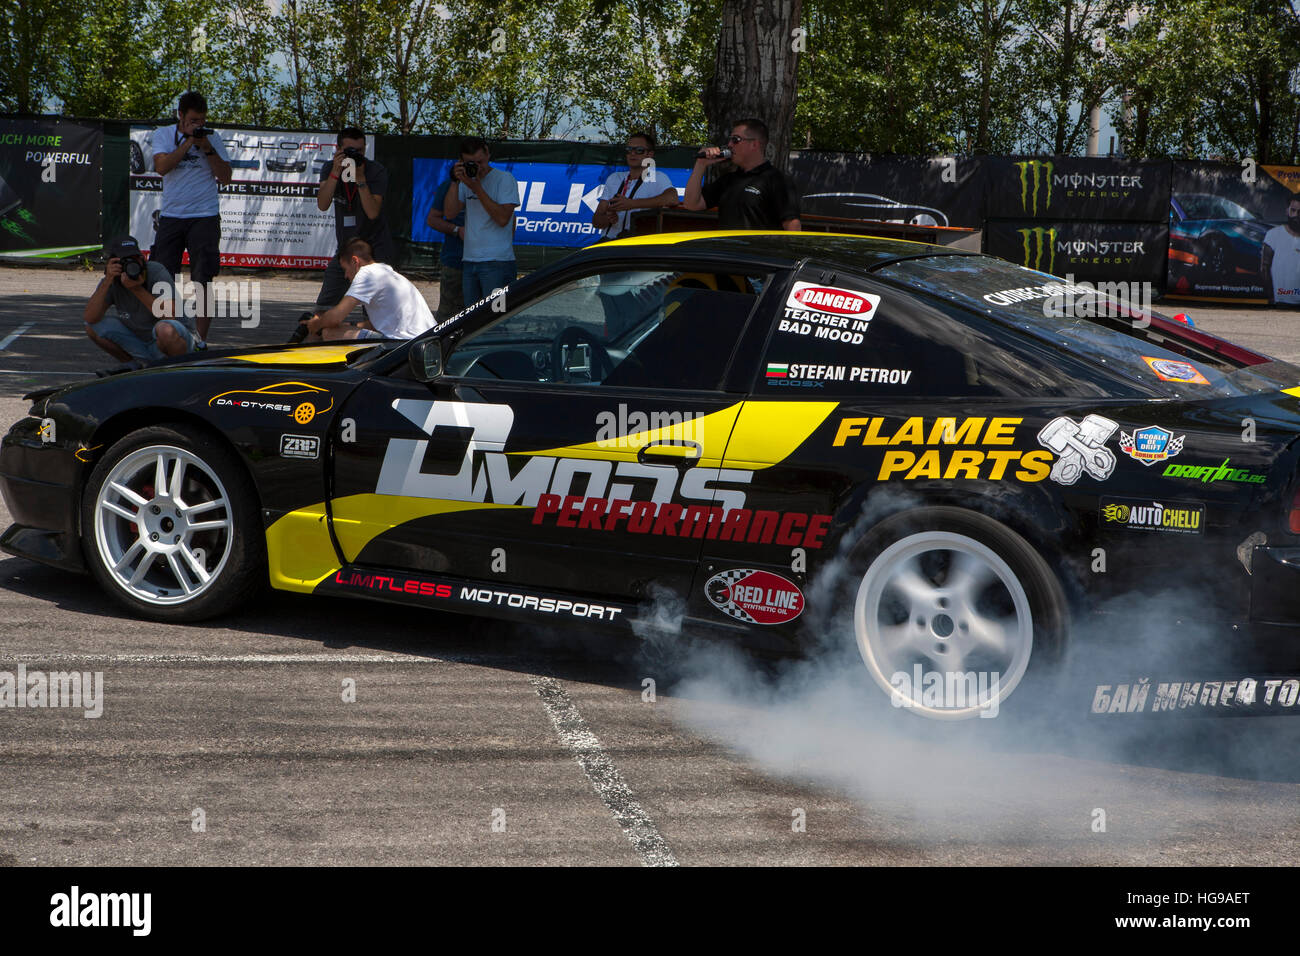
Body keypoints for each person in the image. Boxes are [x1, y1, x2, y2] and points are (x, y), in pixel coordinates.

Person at [150, 91, 231, 341]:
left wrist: (206, 148)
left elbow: (226, 177)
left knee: (203, 280)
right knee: (162, 278)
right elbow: (161, 167)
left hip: (204, 215)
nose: (199, 126)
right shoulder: (164, 134)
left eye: (202, 120)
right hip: (172, 215)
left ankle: (200, 341)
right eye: (194, 120)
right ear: (181, 116)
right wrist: (186, 142)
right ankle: (168, 333)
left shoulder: (212, 139)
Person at [84, 236, 200, 362]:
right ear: (113, 262)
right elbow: (90, 317)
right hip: (142, 344)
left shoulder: (156, 271)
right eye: (125, 261)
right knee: (92, 327)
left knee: (164, 329)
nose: (132, 265)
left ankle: (179, 370)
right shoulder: (112, 279)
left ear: (142, 258)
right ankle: (133, 366)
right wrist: (107, 281)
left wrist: (137, 289)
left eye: (135, 259)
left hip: (179, 341)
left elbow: (169, 315)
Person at [316, 127, 394, 310]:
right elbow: (322, 204)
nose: (356, 155)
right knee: (324, 307)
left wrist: (360, 178)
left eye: (360, 151)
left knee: (377, 311)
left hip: (375, 251)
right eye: (350, 151)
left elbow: (373, 212)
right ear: (338, 149)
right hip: (346, 249)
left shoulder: (375, 171)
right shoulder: (329, 168)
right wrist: (335, 172)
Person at [298, 238, 434, 341]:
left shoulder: (367, 274)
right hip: (424, 339)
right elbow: (379, 324)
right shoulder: (385, 271)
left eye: (345, 269)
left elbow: (334, 318)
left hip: (403, 343)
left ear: (355, 261)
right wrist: (350, 325)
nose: (345, 276)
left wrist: (317, 324)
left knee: (330, 332)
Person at [683, 118, 801, 230]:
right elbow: (691, 204)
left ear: (754, 144)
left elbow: (792, 226)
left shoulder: (777, 180)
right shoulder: (728, 180)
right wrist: (700, 165)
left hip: (758, 250)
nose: (729, 144)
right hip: (729, 250)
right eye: (730, 139)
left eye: (735, 139)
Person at [443, 137, 519, 303]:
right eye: (472, 163)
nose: (478, 167)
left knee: (497, 315)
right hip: (470, 260)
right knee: (474, 319)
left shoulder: (505, 179)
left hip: (498, 262)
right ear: (462, 161)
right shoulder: (465, 181)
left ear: (488, 154)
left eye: (481, 161)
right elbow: (449, 214)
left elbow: (502, 219)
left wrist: (476, 188)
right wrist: (455, 182)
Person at [590, 132, 679, 241]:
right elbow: (596, 221)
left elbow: (673, 198)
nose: (632, 153)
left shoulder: (657, 177)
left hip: (635, 246)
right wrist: (609, 218)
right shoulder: (614, 178)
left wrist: (632, 204)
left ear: (649, 155)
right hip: (608, 243)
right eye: (629, 149)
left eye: (639, 150)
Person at [425, 172, 466, 321]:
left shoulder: (496, 184)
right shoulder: (449, 185)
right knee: (448, 319)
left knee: (489, 313)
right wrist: (456, 230)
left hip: (487, 265)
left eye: (478, 161)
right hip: (456, 261)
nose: (474, 166)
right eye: (467, 161)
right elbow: (433, 219)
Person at [1262, 197, 1300, 306]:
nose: (1296, 215)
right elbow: (1264, 268)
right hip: (1280, 302)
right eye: (1293, 210)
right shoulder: (1273, 235)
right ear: (1287, 211)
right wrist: (1271, 296)